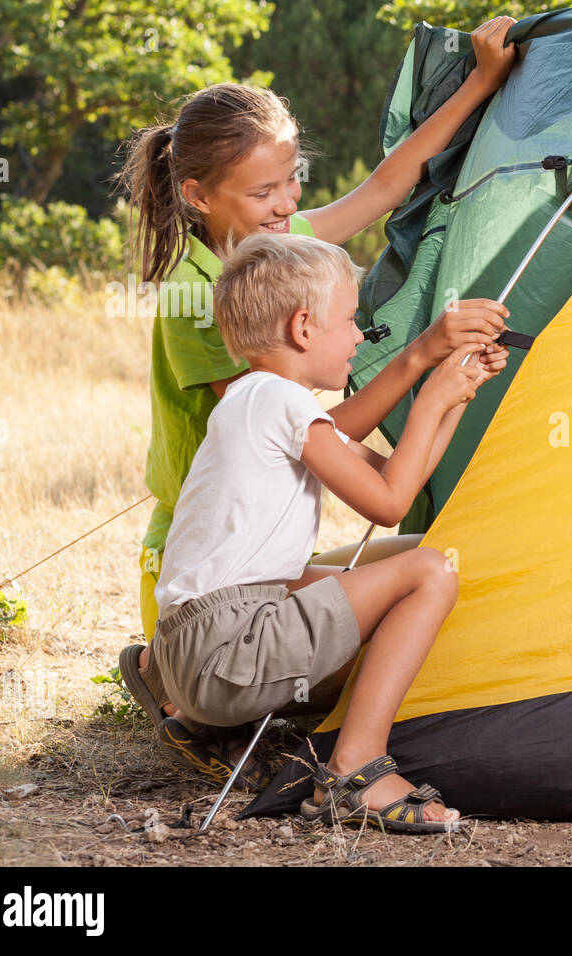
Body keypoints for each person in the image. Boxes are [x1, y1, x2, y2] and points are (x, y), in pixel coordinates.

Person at [114, 17, 518, 781]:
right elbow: (328, 436)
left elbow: (387, 186)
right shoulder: (203, 303)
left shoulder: (281, 254)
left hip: (246, 564)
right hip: (206, 568)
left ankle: (189, 686)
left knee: (417, 565)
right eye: (264, 191)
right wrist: (427, 371)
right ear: (196, 194)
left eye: (291, 181)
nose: (285, 202)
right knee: (413, 577)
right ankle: (325, 750)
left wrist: (481, 83)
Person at [140, 232, 503, 831]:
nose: (360, 336)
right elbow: (389, 502)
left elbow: (390, 473)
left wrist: (451, 389)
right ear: (305, 327)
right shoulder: (282, 403)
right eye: (352, 319)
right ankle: (355, 769)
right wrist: (430, 398)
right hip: (230, 648)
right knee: (429, 574)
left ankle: (191, 708)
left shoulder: (257, 400)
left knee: (415, 555)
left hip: (193, 646)